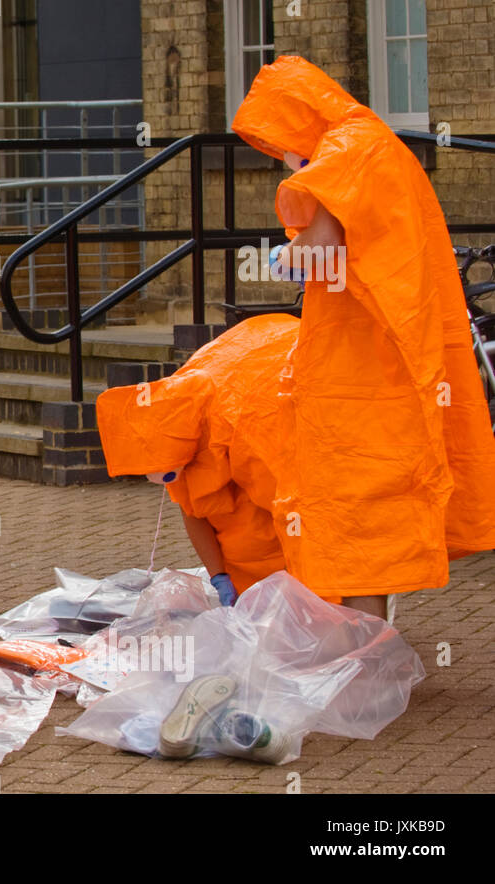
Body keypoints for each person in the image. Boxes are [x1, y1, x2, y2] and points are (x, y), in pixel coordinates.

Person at [232, 56, 495, 618]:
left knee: (354, 500)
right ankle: (367, 652)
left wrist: (282, 258)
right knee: (371, 500)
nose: (281, 154)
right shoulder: (375, 144)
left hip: (365, 358)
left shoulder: (348, 150)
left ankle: (364, 659)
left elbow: (324, 245)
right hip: (386, 344)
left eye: (278, 136)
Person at [96, 315, 295, 607]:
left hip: (287, 535)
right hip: (250, 556)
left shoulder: (247, 426)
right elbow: (193, 511)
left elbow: (294, 506)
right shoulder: (177, 422)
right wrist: (219, 576)